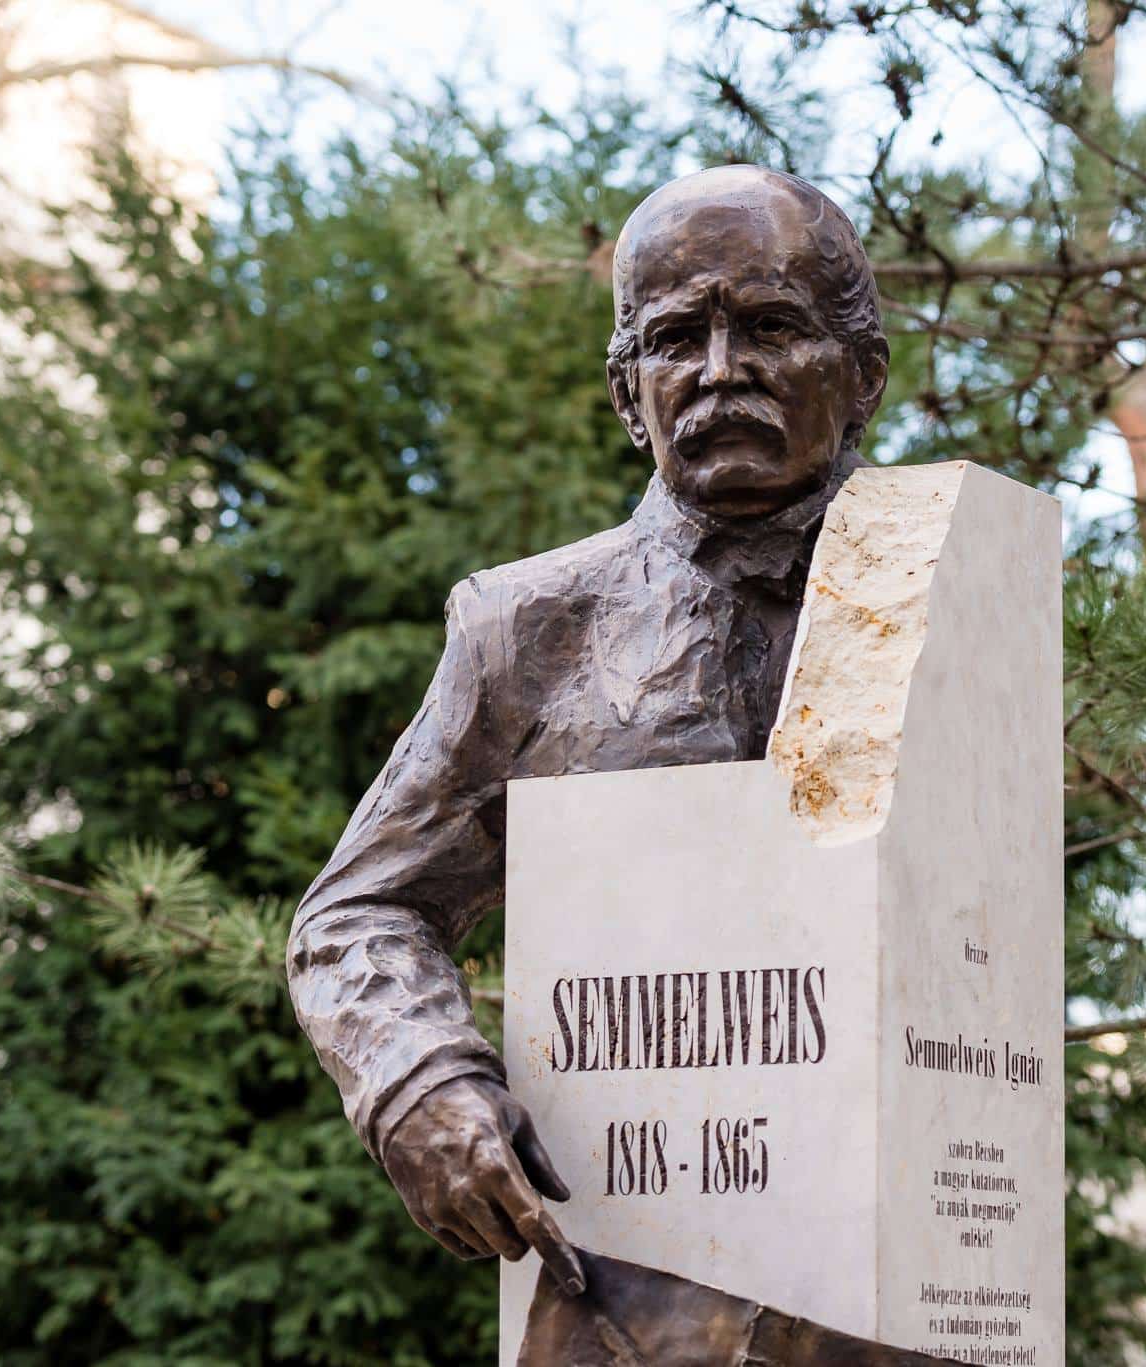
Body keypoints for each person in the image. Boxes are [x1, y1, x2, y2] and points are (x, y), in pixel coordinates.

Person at [285, 165, 890, 1295]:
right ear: (627, 396)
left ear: (859, 375)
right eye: (674, 340)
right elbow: (359, 908)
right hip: (630, 1270)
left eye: (768, 326)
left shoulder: (954, 587)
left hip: (905, 1257)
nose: (720, 372)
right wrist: (417, 1078)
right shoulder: (522, 628)